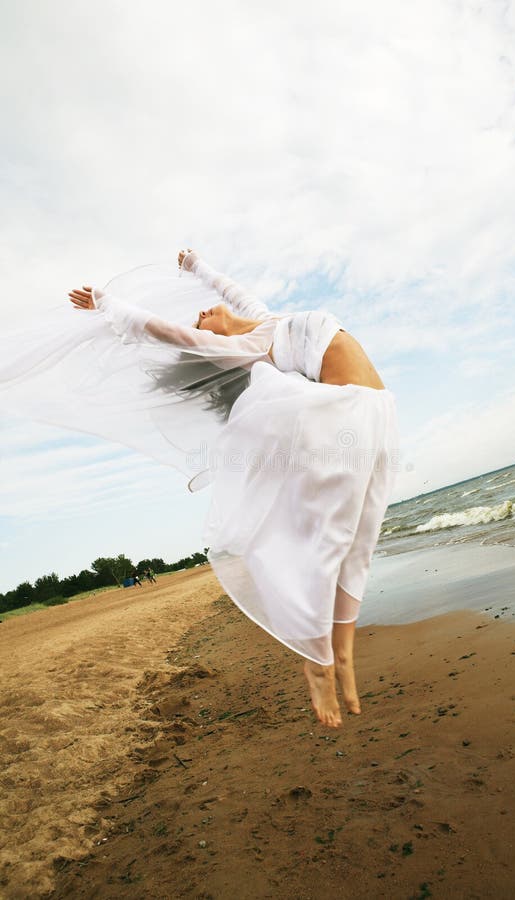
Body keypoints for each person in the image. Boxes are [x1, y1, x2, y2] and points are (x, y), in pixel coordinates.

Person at [0, 248, 399, 728]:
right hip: (344, 418)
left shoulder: (264, 321)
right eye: (198, 322)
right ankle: (318, 666)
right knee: (333, 546)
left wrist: (195, 267)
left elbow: (230, 290)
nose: (199, 313)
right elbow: (162, 330)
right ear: (207, 345)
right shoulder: (245, 350)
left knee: (358, 548)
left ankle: (345, 664)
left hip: (378, 413)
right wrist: (107, 302)